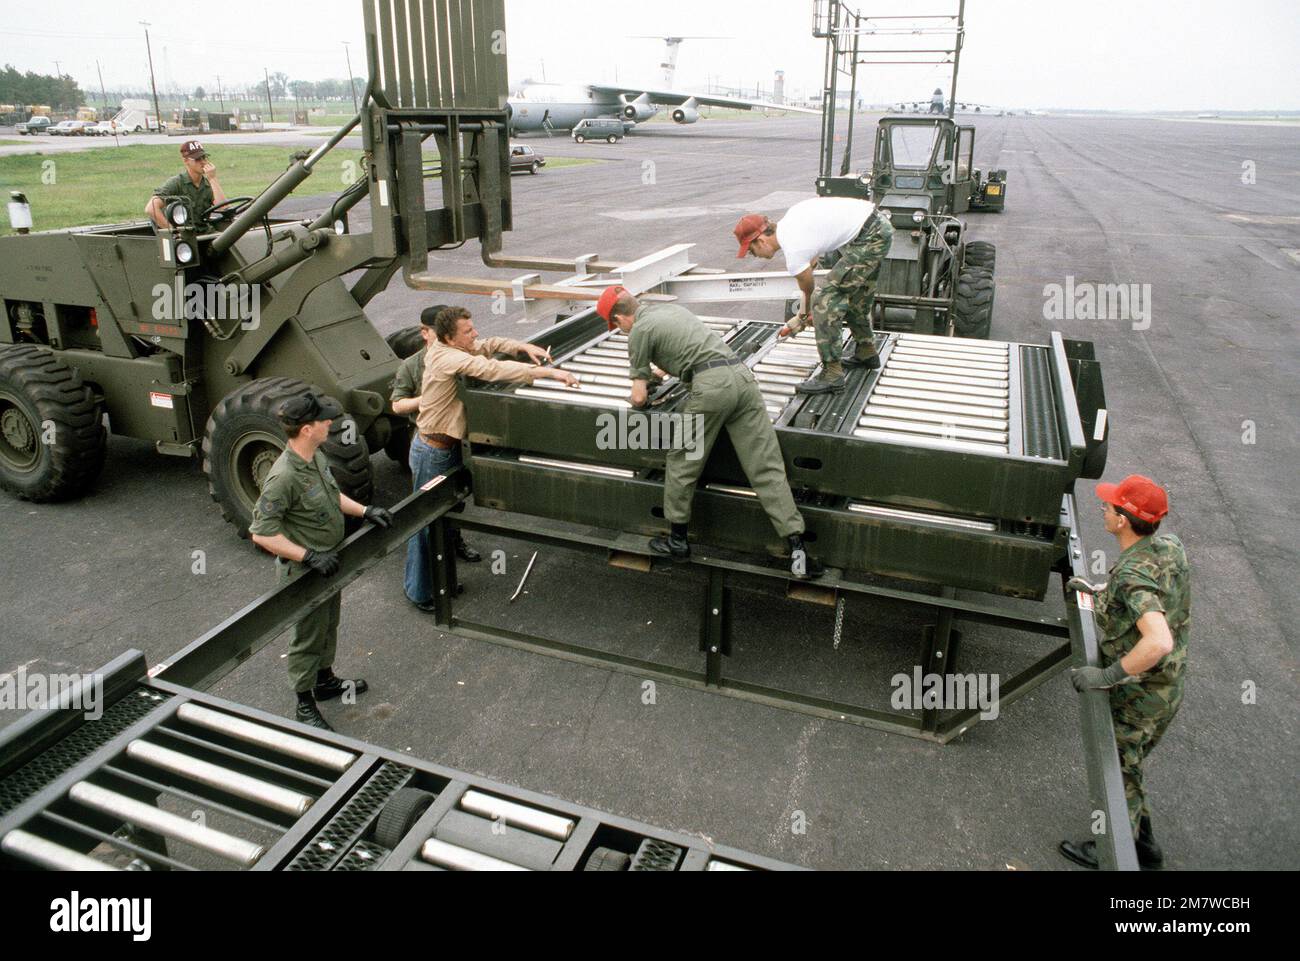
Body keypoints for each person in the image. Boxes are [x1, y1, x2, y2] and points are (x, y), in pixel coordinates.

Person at [597, 285, 818, 579]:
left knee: (682, 461)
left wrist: (641, 391)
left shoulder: (639, 331)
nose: (620, 331)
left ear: (620, 317)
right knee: (766, 466)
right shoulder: (670, 311)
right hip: (742, 380)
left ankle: (677, 541)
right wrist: (656, 375)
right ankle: (797, 547)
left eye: (616, 325)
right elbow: (685, 354)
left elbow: (638, 398)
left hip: (711, 390)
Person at [405, 306, 578, 611]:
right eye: (468, 331)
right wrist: (548, 372)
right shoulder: (446, 356)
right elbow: (492, 370)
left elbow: (491, 344)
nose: (475, 334)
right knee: (426, 525)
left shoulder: (456, 348)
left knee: (446, 518)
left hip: (445, 448)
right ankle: (421, 592)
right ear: (449, 337)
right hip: (432, 451)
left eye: (473, 328)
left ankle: (442, 581)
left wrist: (522, 347)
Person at [1060, 474, 1189, 870]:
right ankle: (1146, 847)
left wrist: (1107, 675)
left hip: (1140, 693)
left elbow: (1158, 640)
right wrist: (1102, 591)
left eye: (1110, 506)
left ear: (1122, 521)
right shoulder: (1167, 547)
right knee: (1129, 764)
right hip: (1167, 688)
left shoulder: (1134, 576)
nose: (1104, 507)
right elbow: (1152, 589)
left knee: (1117, 765)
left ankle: (1114, 850)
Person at [248, 391, 394, 731]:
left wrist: (365, 510)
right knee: (307, 636)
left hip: (328, 561)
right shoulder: (283, 476)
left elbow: (330, 494)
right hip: (305, 571)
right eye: (322, 420)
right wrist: (307, 555)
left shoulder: (313, 456)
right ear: (306, 429)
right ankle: (303, 703)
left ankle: (325, 680)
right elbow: (261, 532)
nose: (330, 423)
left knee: (329, 626)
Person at [734, 196, 894, 394]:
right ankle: (866, 352)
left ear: (760, 240)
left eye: (751, 250)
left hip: (869, 237)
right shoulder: (791, 223)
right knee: (856, 295)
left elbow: (808, 289)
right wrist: (803, 315)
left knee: (826, 301)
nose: (754, 255)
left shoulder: (792, 246)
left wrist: (805, 315)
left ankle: (832, 374)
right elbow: (813, 259)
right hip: (876, 227)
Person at [146, 140, 227, 229]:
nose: (203, 162)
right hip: (186, 237)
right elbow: (151, 208)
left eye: (204, 157)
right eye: (197, 159)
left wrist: (212, 179)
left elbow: (223, 208)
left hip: (205, 232)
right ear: (186, 161)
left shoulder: (209, 183)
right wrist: (173, 231)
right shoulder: (176, 183)